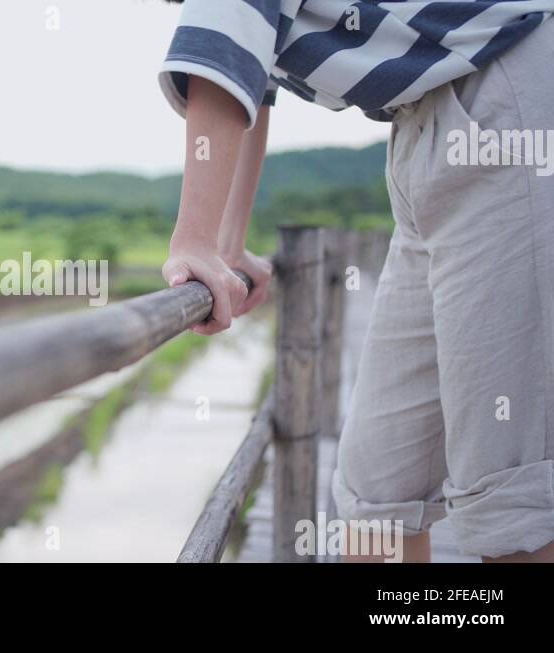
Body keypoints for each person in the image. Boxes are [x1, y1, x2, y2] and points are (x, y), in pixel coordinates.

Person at [158, 0, 554, 562]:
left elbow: (225, 39)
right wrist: (225, 243)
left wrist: (193, 240)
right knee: (375, 502)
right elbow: (251, 66)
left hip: (505, 96)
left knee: (509, 503)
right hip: (425, 124)